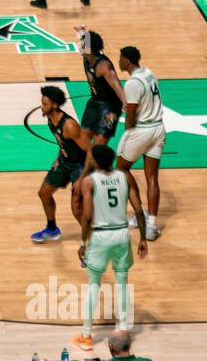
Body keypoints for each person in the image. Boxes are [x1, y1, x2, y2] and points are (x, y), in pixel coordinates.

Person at [114, 46, 165, 241]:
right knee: (152, 177)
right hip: (159, 128)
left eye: (120, 58)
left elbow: (131, 114)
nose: (118, 61)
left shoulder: (132, 83)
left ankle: (140, 212)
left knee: (120, 169)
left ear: (127, 60)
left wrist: (127, 133)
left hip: (142, 130)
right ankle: (151, 225)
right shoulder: (150, 73)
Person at [33, 85, 90, 242]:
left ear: (55, 105)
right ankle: (52, 229)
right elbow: (64, 143)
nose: (41, 107)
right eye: (42, 103)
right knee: (44, 193)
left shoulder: (69, 126)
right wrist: (58, 157)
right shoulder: (51, 121)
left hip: (80, 167)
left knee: (77, 208)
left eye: (45, 104)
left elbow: (90, 151)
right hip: (65, 163)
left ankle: (92, 243)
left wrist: (82, 177)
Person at [78, 29, 126, 158]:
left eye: (82, 44)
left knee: (99, 145)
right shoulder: (87, 56)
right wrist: (82, 32)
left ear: (89, 48)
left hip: (110, 107)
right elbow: (88, 39)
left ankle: (97, 171)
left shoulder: (103, 65)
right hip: (94, 102)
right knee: (82, 139)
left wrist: (125, 102)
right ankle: (86, 166)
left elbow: (116, 85)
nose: (79, 46)